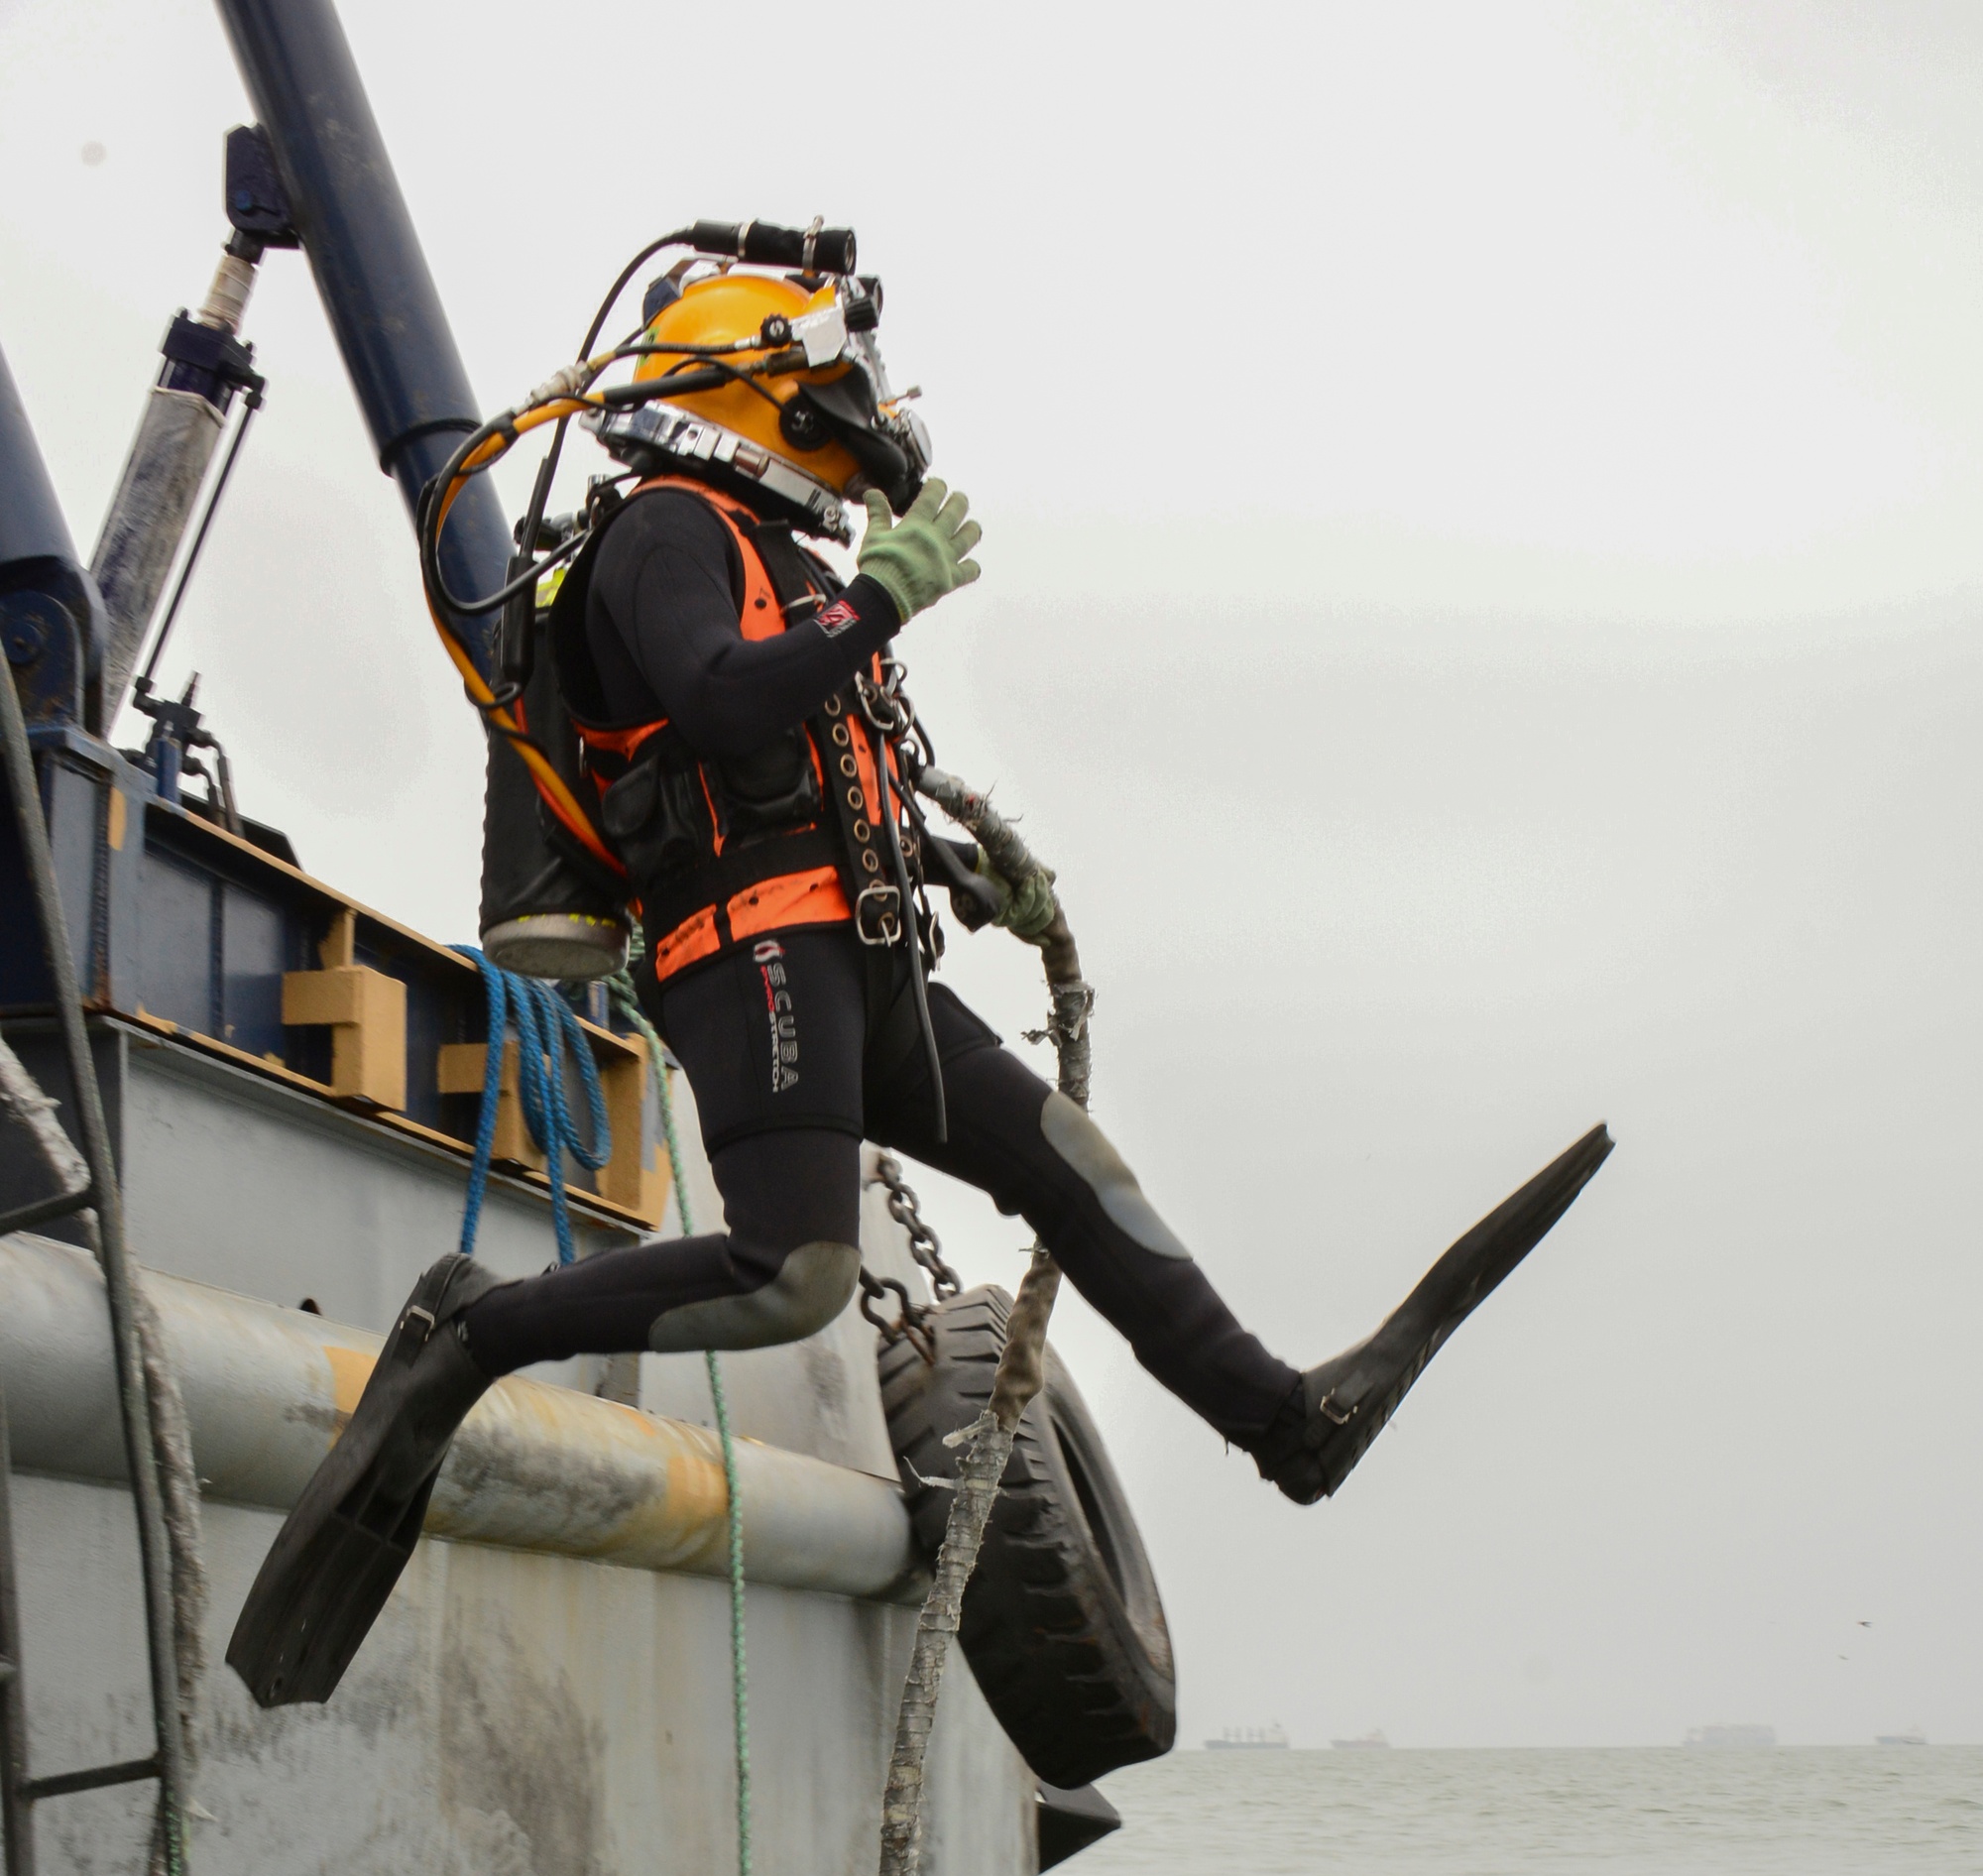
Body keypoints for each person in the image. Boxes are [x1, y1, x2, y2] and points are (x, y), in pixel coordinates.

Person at [228, 246, 1608, 1708]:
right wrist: (880, 602)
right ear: (761, 383)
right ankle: (473, 1329)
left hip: (866, 954)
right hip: (750, 955)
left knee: (1071, 1166)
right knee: (795, 1276)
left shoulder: (787, 561)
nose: (860, 416)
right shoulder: (662, 534)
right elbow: (718, 695)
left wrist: (969, 875)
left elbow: (810, 775)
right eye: (830, 385)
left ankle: (1289, 1423)